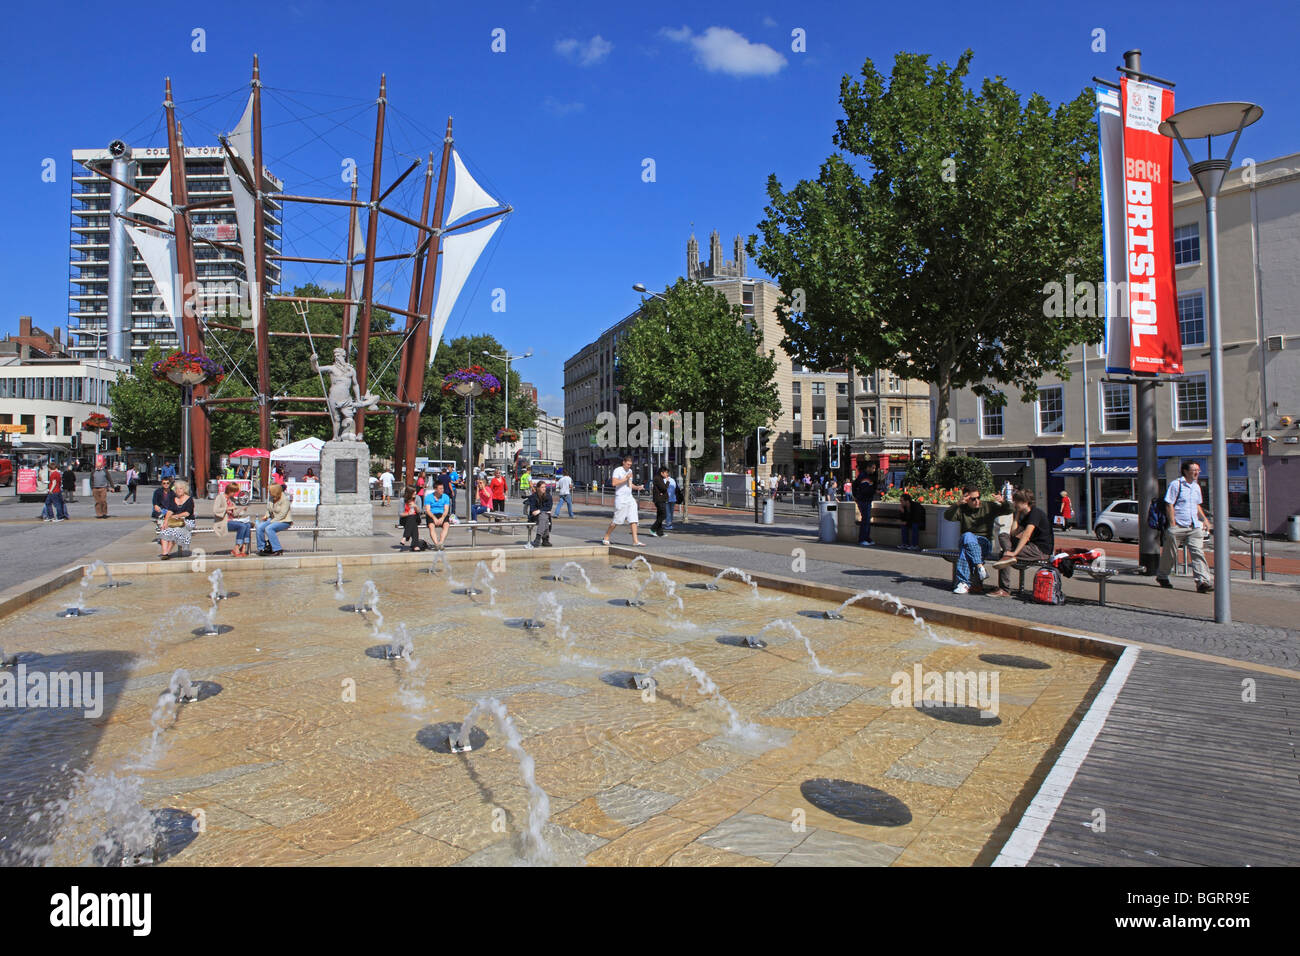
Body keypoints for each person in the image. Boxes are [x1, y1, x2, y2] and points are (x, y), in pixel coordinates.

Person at [943, 485, 1013, 595]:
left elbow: (1010, 510)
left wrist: (1003, 501)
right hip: (968, 542)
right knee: (967, 537)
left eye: (978, 497)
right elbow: (947, 516)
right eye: (973, 499)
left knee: (965, 548)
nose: (977, 501)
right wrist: (957, 504)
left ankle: (963, 583)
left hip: (984, 543)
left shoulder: (988, 506)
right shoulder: (962, 509)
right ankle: (980, 567)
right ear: (966, 499)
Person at [1156, 461, 1213, 593]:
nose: (1197, 472)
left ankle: (1202, 582)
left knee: (1198, 553)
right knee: (1170, 554)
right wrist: (1172, 525)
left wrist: (1204, 520)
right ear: (1185, 471)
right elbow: (1169, 503)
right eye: (1194, 470)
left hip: (1194, 526)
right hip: (1179, 525)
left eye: (1198, 470)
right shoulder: (1176, 485)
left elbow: (1197, 505)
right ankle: (1162, 576)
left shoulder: (1196, 487)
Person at [988, 489, 1054, 596]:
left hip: (1040, 551)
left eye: (1016, 502)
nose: (1014, 504)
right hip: (1031, 547)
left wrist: (1014, 553)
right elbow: (1013, 533)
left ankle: (1004, 589)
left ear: (1025, 502)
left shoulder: (1035, 513)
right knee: (1003, 535)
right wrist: (1016, 515)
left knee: (1003, 555)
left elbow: (1027, 535)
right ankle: (1007, 555)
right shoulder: (1025, 514)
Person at [602, 454, 645, 547]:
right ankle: (606, 537)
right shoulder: (618, 470)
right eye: (628, 464)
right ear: (623, 462)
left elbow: (630, 484)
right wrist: (625, 478)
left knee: (634, 519)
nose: (629, 466)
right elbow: (614, 483)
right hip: (620, 498)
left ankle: (635, 541)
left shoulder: (630, 471)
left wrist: (637, 487)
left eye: (630, 464)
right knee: (617, 520)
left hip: (629, 497)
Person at [158, 480, 196, 559]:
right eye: (177, 488)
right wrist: (165, 521)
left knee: (175, 532)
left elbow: (187, 513)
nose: (179, 490)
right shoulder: (173, 499)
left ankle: (167, 552)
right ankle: (165, 553)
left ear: (184, 489)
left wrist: (176, 516)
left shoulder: (189, 499)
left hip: (187, 521)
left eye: (181, 488)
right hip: (175, 522)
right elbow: (170, 511)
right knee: (164, 531)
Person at [213, 482, 252, 557]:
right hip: (223, 522)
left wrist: (242, 510)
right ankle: (236, 547)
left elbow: (234, 514)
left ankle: (243, 547)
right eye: (234, 492)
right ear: (229, 491)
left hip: (232, 520)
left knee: (247, 525)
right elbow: (216, 510)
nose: (235, 494)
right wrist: (227, 508)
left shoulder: (231, 499)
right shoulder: (220, 497)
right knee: (242, 526)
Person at [255, 483, 293, 556]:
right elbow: (269, 509)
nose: (268, 492)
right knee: (259, 527)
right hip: (272, 519)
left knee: (269, 528)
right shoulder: (271, 497)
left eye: (270, 491)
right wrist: (266, 515)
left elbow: (282, 515)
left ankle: (277, 549)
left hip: (284, 521)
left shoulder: (285, 500)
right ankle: (262, 548)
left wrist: (271, 522)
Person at [851, 464, 878, 546]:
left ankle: (866, 537)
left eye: (875, 468)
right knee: (865, 519)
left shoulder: (873, 476)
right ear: (868, 467)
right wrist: (856, 496)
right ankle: (862, 539)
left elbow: (873, 487)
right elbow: (854, 485)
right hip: (863, 500)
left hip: (867, 499)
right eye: (872, 468)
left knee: (867, 519)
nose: (874, 470)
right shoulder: (862, 476)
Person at [423, 479, 452, 550]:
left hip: (442, 514)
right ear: (435, 489)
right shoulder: (428, 497)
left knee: (446, 525)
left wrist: (442, 518)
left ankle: (441, 543)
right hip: (432, 514)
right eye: (440, 488)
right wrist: (434, 518)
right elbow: (428, 510)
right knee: (431, 526)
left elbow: (446, 510)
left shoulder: (446, 497)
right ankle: (436, 543)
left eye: (443, 488)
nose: (442, 490)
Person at [524, 480, 554, 547]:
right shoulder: (533, 496)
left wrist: (540, 511)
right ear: (538, 488)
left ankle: (538, 539)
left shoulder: (548, 496)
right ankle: (545, 539)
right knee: (545, 517)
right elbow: (533, 509)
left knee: (543, 516)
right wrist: (542, 511)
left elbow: (549, 507)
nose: (544, 489)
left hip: (542, 515)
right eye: (542, 487)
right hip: (534, 516)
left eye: (545, 487)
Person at [400, 486, 426, 551]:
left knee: (413, 517)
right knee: (413, 522)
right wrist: (408, 513)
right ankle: (415, 545)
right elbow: (400, 514)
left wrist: (415, 506)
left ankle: (405, 537)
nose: (415, 493)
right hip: (405, 519)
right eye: (413, 492)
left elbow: (420, 511)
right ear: (409, 493)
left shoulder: (417, 498)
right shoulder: (402, 500)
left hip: (416, 518)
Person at [651, 465, 670, 537]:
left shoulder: (660, 478)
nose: (667, 474)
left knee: (659, 515)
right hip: (659, 499)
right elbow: (664, 488)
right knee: (663, 515)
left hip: (661, 499)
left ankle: (660, 532)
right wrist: (667, 482)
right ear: (662, 473)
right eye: (666, 473)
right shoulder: (658, 478)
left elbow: (662, 489)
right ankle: (653, 528)